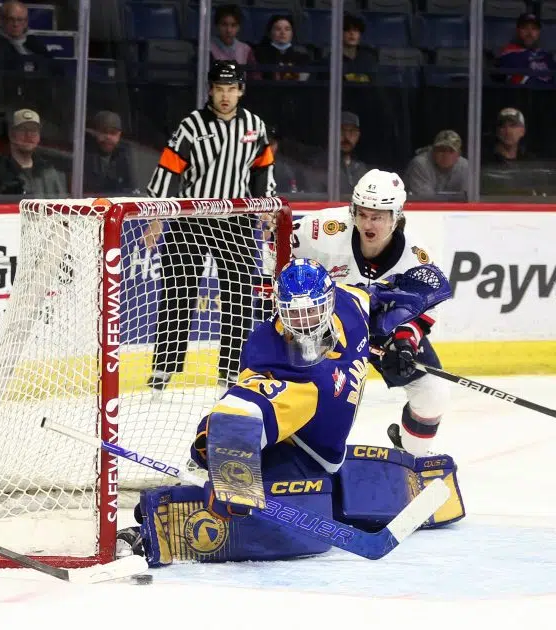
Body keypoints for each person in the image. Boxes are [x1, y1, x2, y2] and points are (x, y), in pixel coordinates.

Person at [117, 259, 458, 566]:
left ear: (329, 301)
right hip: (290, 452)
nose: (303, 322)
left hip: (327, 456)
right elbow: (239, 411)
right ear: (279, 308)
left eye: (311, 311)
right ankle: (150, 530)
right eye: (292, 313)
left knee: (369, 494)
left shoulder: (350, 304)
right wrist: (229, 469)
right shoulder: (276, 357)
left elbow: (396, 294)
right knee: (284, 533)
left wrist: (405, 321)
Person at [290, 169, 447, 456]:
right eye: (361, 214)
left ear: (396, 216)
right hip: (322, 326)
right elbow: (275, 253)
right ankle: (292, 456)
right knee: (317, 396)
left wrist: (404, 344)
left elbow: (419, 310)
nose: (367, 223)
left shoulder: (416, 256)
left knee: (432, 393)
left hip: (381, 328)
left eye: (377, 216)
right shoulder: (320, 230)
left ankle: (412, 458)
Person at [145, 59, 276, 390]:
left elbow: (263, 171)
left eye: (231, 89)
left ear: (241, 91)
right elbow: (169, 169)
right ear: (210, 90)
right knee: (178, 291)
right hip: (191, 219)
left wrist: (266, 209)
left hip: (236, 221)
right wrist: (158, 219)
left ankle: (232, 369)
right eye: (219, 89)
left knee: (238, 295)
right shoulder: (191, 125)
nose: (225, 96)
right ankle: (164, 367)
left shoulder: (254, 126)